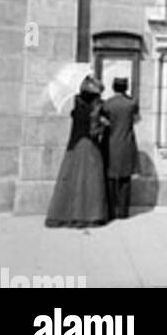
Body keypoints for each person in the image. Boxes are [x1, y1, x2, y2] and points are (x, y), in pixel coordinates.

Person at [45, 76, 111, 228]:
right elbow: (94, 132)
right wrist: (104, 124)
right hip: (90, 147)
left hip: (74, 147)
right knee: (91, 181)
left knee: (71, 179)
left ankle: (66, 214)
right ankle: (90, 215)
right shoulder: (96, 108)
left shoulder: (77, 105)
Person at [101, 77, 140, 221]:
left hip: (110, 144)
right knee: (125, 179)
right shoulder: (132, 103)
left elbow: (104, 122)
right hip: (127, 143)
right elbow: (136, 120)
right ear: (126, 87)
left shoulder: (107, 104)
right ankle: (123, 212)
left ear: (113, 87)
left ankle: (111, 211)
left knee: (110, 179)